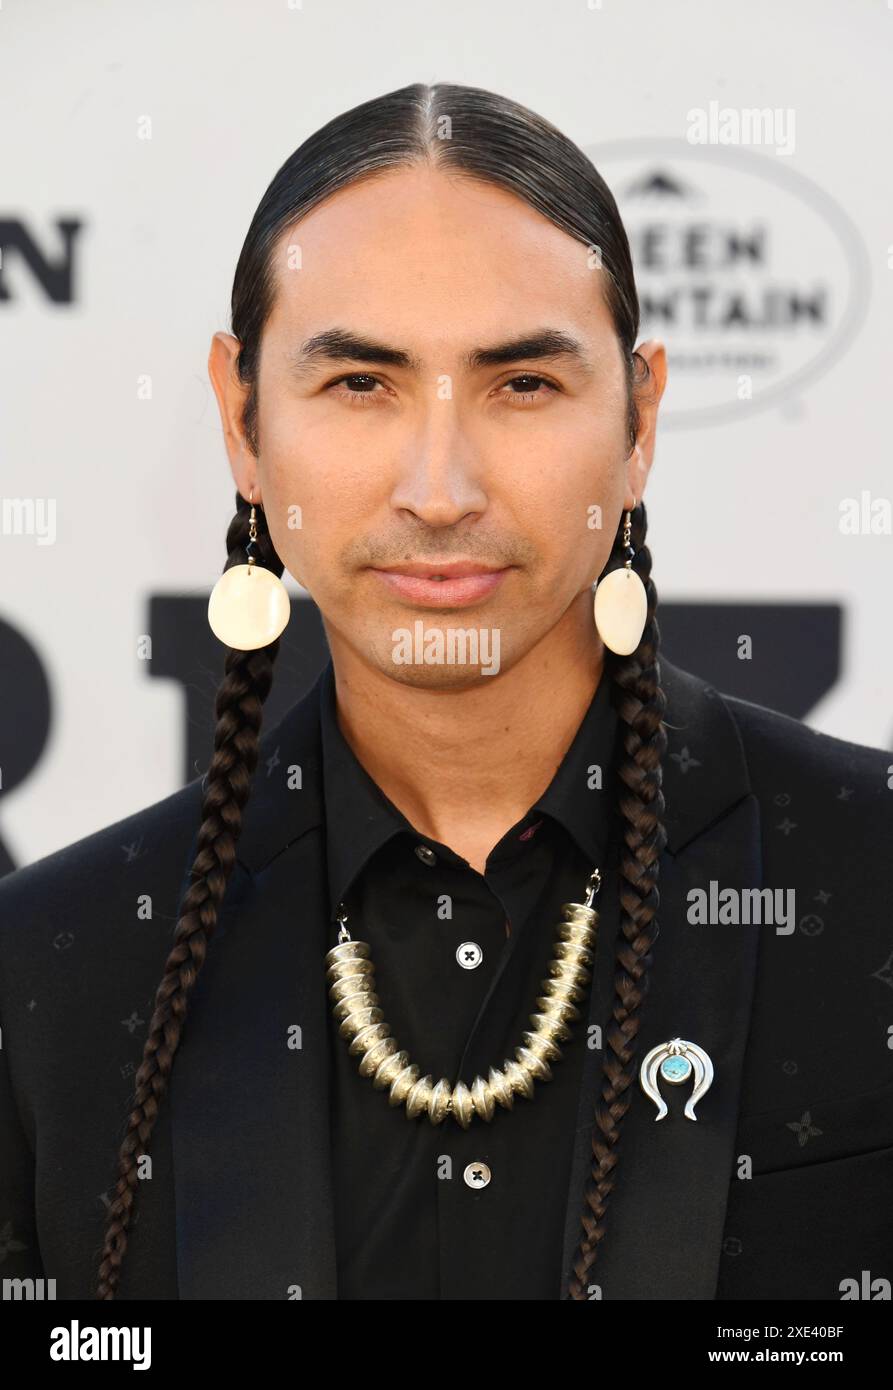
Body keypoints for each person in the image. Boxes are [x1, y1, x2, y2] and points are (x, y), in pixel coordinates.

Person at [1, 82, 891, 1303]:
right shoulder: (60, 970)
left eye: (520, 384)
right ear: (242, 419)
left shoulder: (867, 870)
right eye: (360, 384)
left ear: (637, 421)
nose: (438, 485)